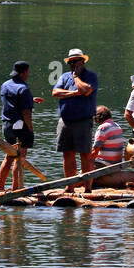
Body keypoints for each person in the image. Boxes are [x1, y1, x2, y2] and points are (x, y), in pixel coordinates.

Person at [52, 48, 98, 192]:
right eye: (70, 62)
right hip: (65, 121)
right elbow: (55, 92)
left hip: (83, 121)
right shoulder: (64, 76)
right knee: (68, 154)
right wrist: (73, 93)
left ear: (82, 61)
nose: (72, 64)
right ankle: (70, 186)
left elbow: (86, 90)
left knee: (85, 154)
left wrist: (76, 77)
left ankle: (87, 187)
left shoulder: (91, 76)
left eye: (75, 61)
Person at [0, 61, 35, 191]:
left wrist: (31, 99)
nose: (28, 74)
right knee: (20, 157)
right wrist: (30, 128)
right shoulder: (23, 88)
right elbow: (26, 112)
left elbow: (12, 101)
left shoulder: (5, 85)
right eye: (28, 71)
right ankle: (16, 188)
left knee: (9, 156)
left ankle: (0, 188)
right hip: (21, 126)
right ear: (24, 72)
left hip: (7, 125)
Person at [89, 106, 126, 190]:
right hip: (116, 163)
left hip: (105, 164)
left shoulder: (103, 128)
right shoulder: (117, 126)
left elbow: (95, 151)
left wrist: (87, 162)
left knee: (84, 169)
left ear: (98, 117)